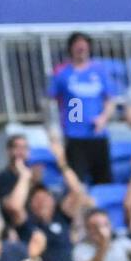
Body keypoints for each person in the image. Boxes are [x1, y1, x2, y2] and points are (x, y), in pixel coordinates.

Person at [48, 32, 118, 186]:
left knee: (103, 180)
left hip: (98, 135)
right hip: (75, 135)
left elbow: (110, 99)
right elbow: (50, 101)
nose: (81, 49)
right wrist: (53, 129)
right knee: (77, 180)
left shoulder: (99, 72)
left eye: (84, 46)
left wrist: (104, 118)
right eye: (77, 46)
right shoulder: (63, 74)